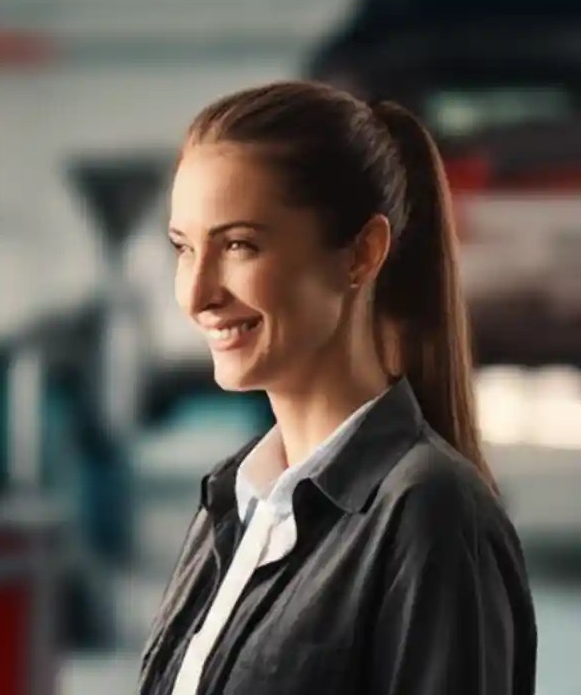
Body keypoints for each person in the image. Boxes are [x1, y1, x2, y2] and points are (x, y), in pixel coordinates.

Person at [139, 81, 537, 695]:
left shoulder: (429, 514)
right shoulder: (235, 504)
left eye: (240, 245)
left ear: (361, 254)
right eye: (184, 249)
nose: (197, 296)